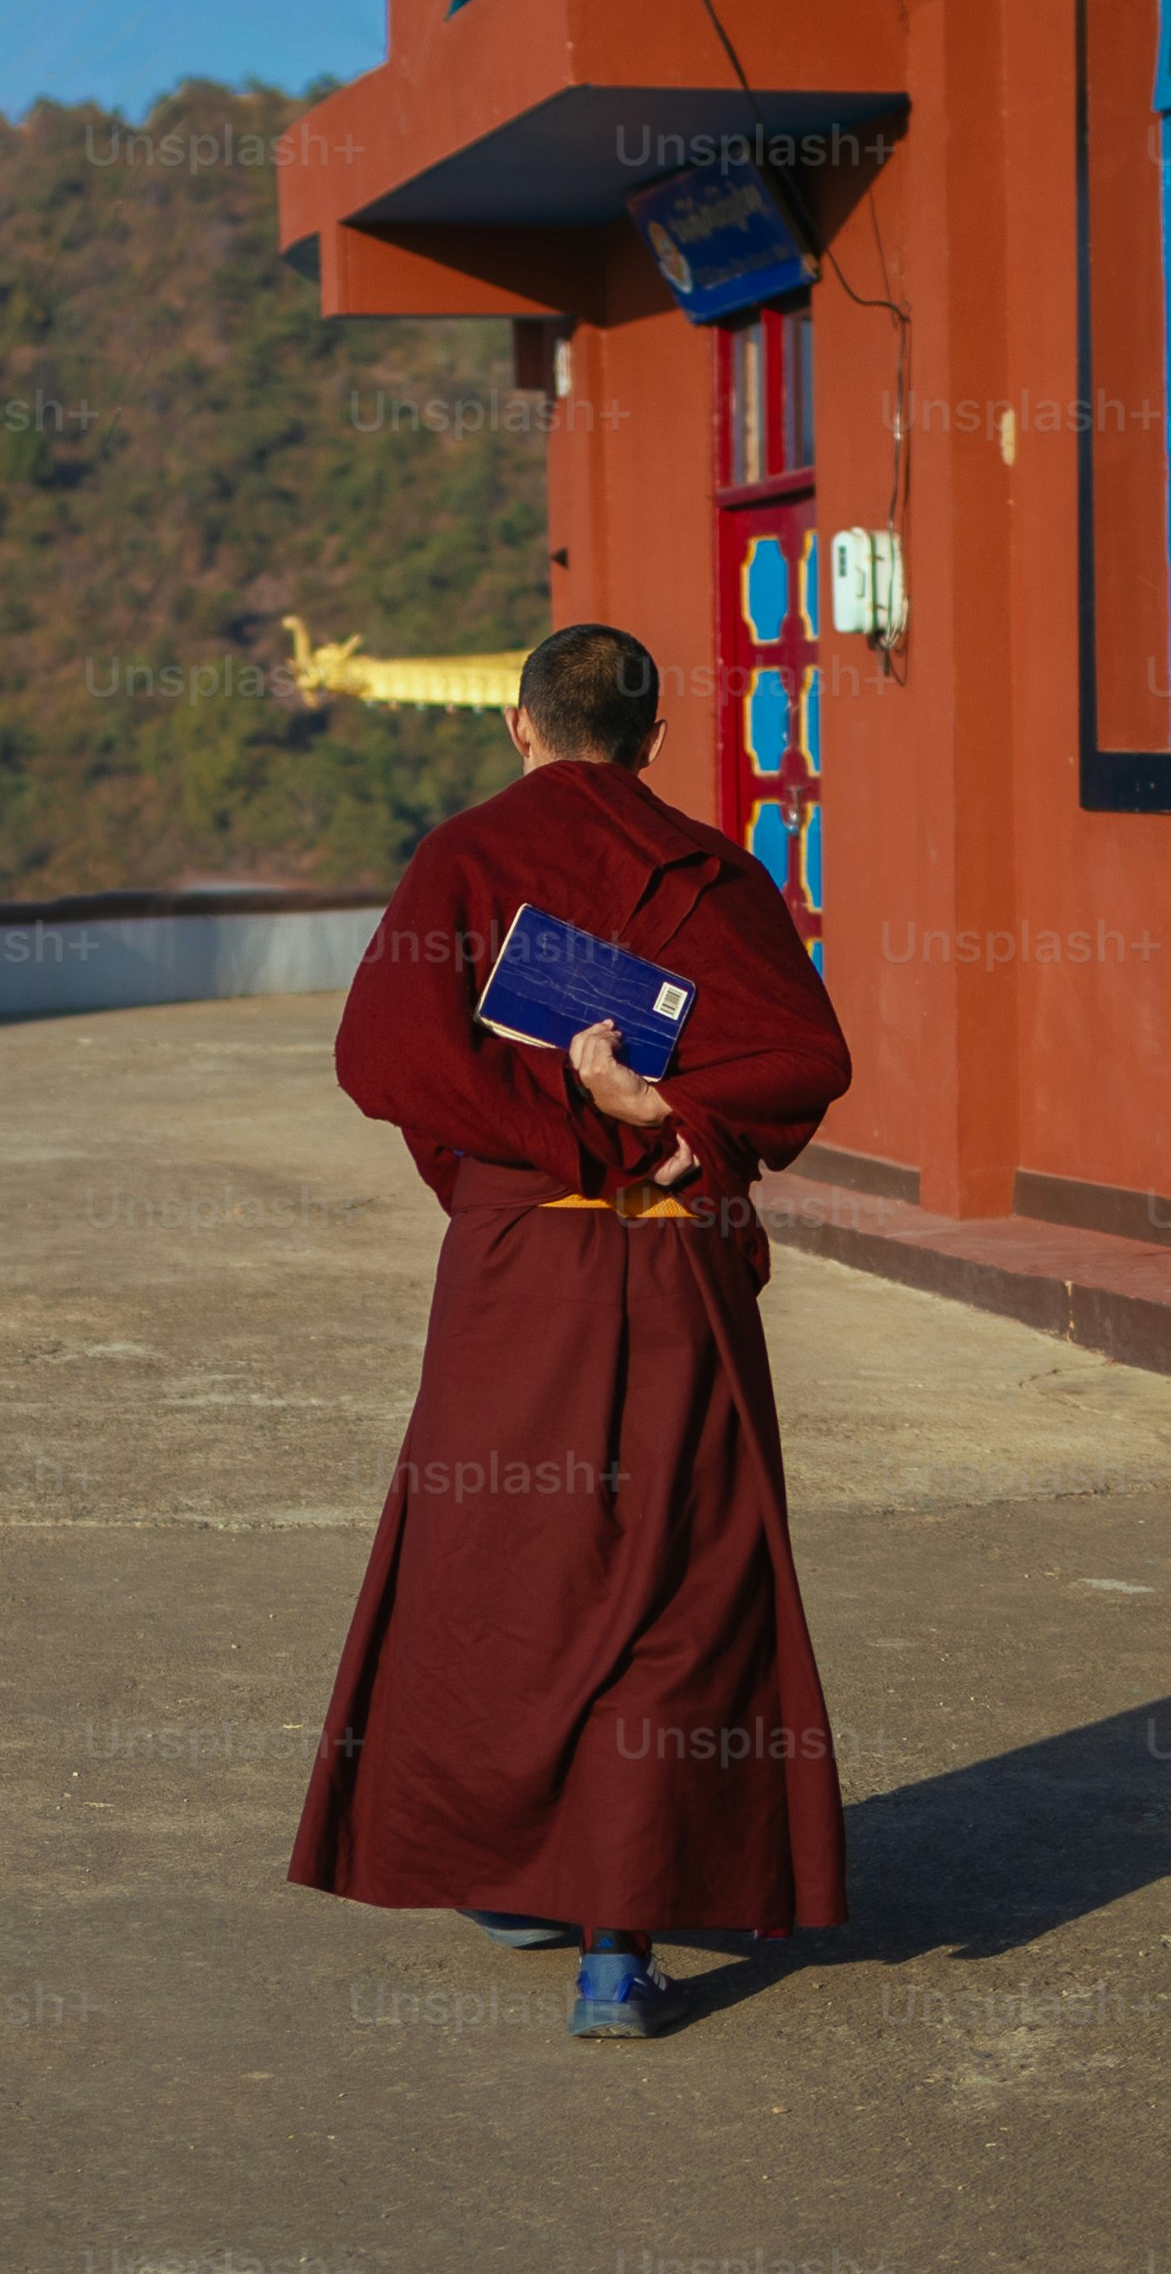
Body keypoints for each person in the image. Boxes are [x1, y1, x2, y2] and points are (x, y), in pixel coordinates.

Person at [286, 620, 856, 2037]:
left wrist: (557, 1128)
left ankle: (519, 1863)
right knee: (672, 1582)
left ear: (521, 728)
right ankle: (616, 1948)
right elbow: (808, 1055)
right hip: (678, 1275)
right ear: (655, 741)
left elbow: (386, 1054)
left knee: (508, 1573)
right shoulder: (716, 874)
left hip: (516, 1273)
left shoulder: (465, 859)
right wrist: (676, 1126)